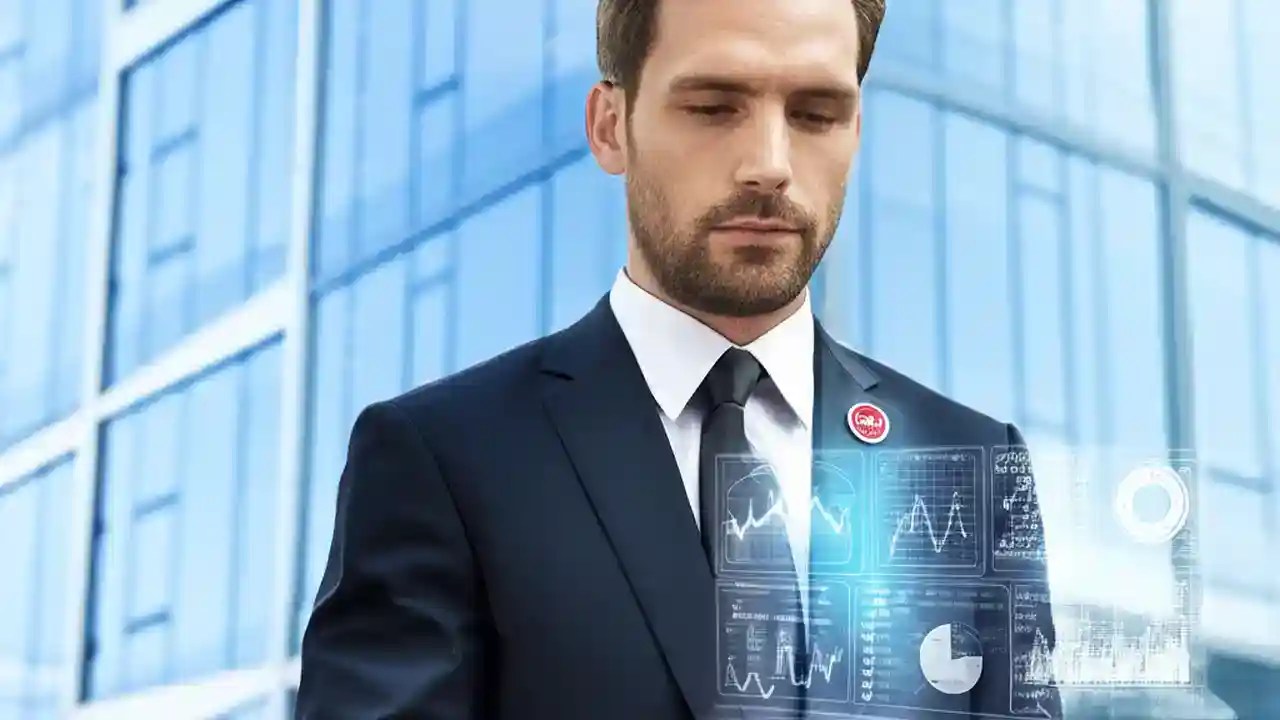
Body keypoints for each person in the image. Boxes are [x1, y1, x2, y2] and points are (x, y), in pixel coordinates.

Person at [295, 0, 1062, 718]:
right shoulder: (445, 461)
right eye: (714, 106)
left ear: (855, 132)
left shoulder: (976, 465)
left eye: (815, 113)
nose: (769, 164)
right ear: (610, 126)